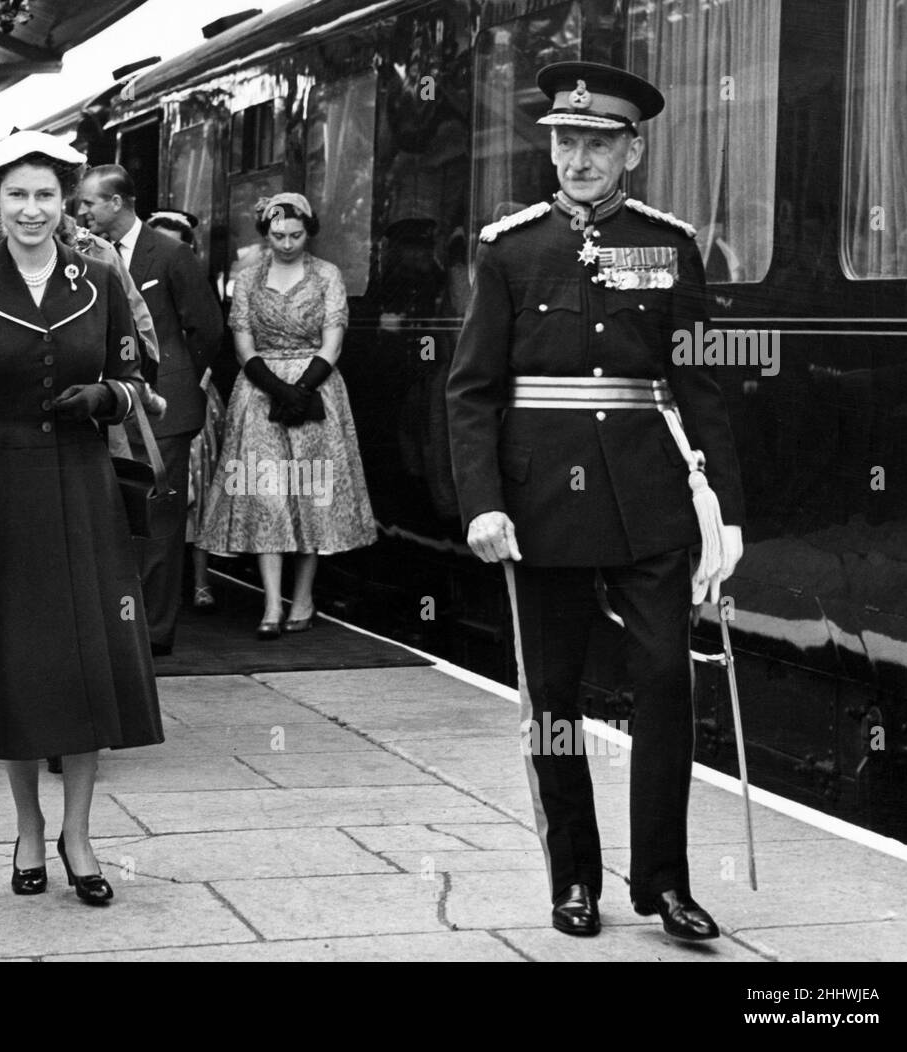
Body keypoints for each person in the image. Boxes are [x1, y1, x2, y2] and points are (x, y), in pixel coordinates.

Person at [446, 62, 745, 941]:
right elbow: (471, 391)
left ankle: (664, 885)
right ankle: (573, 881)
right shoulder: (511, 247)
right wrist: (482, 504)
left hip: (650, 502)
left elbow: (700, 385)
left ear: (632, 150)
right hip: (542, 510)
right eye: (566, 142)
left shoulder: (670, 246)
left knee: (663, 687)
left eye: (598, 143)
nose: (578, 158)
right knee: (554, 701)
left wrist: (723, 514)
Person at [0, 130, 163, 905]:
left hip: (83, 483)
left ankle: (78, 837)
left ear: (66, 203)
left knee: (84, 664)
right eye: (17, 195)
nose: (31, 209)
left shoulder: (101, 277)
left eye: (46, 195)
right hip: (0, 490)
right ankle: (26, 828)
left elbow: (137, 374)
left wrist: (106, 398)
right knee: (17, 668)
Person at [197, 193, 377, 637]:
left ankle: (303, 598)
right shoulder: (249, 276)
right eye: (278, 236)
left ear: (308, 233)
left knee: (310, 495)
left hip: (316, 390)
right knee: (267, 496)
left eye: (295, 235)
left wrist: (301, 390)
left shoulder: (327, 275)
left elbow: (332, 343)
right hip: (260, 395)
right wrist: (277, 389)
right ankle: (272, 604)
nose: (287, 243)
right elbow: (243, 344)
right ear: (266, 233)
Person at [77, 165, 224, 656]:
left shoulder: (172, 254)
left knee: (160, 519)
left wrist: (178, 383)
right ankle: (117, 620)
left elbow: (207, 329)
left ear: (117, 203)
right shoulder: (85, 253)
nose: (81, 213)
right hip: (106, 409)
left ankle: (155, 631)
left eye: (89, 204)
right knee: (114, 516)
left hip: (164, 413)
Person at [147, 209, 225, 613]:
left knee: (201, 488)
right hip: (151, 399)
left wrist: (194, 375)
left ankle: (199, 580)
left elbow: (208, 332)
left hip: (191, 393)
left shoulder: (193, 282)